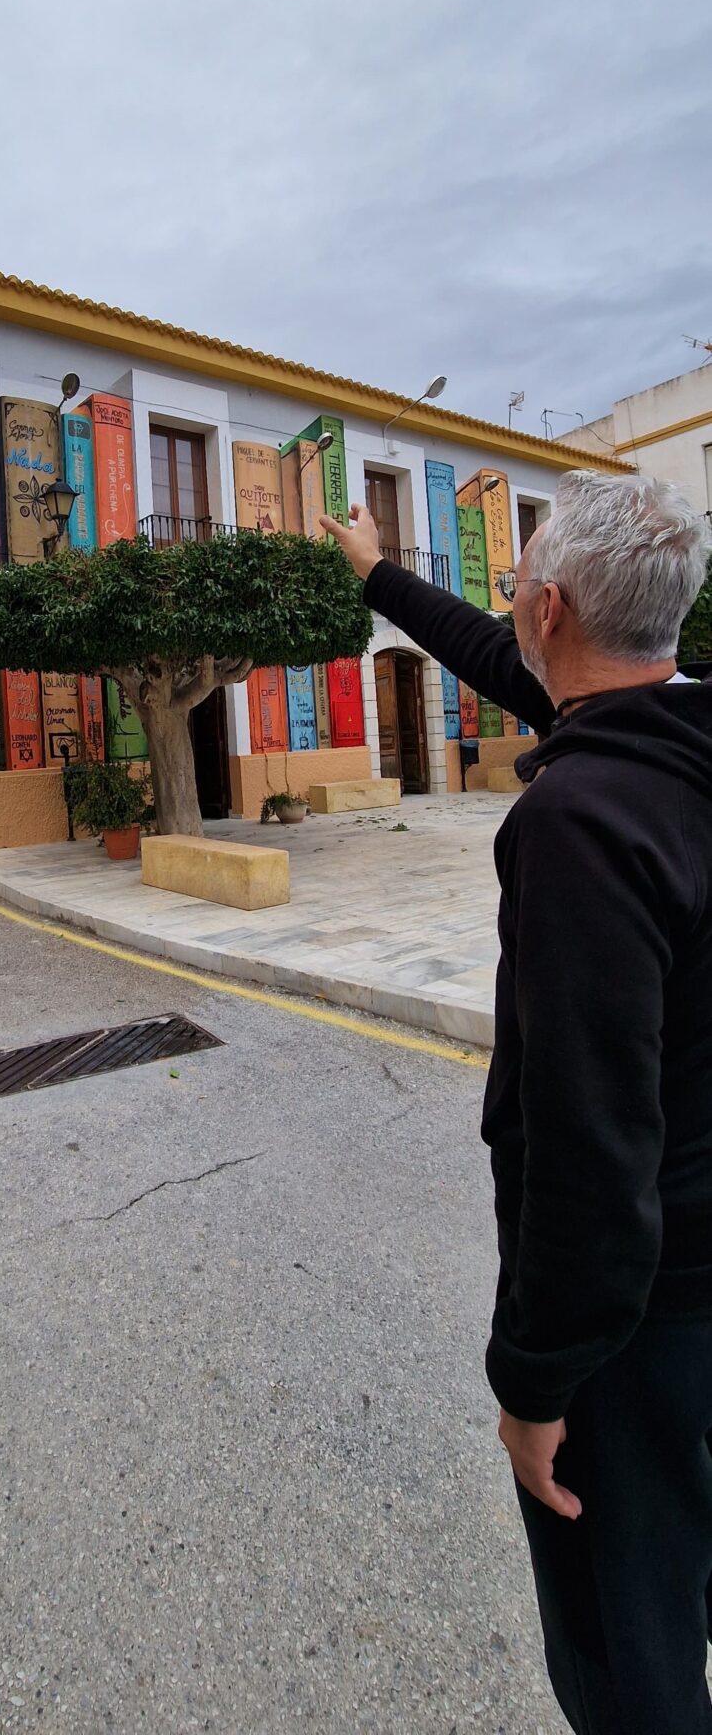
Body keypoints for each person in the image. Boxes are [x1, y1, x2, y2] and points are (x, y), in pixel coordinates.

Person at [322, 470, 712, 1735]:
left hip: (642, 1328)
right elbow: (513, 662)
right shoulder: (676, 746)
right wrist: (378, 573)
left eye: (516, 591)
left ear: (549, 605)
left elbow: (590, 1146)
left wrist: (534, 1382)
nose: (511, 616)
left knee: (626, 1646)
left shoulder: (580, 820)